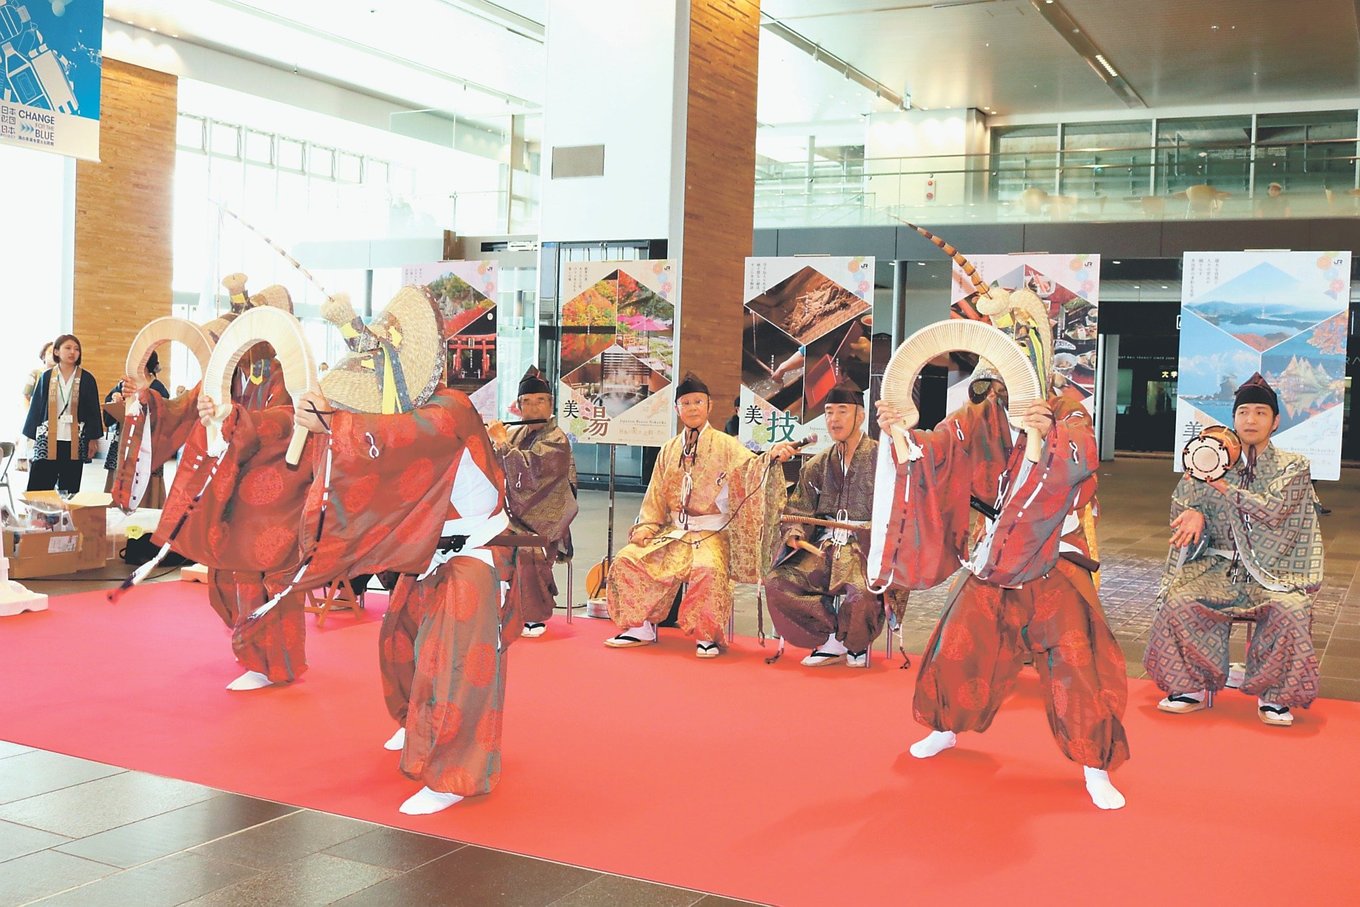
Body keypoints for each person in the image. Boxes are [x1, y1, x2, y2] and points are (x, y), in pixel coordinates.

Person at [874, 378, 1129, 811]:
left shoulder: (1065, 410)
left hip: (1055, 553)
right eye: (997, 375)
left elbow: (1082, 456)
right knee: (959, 641)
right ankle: (945, 726)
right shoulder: (979, 415)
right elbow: (937, 450)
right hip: (998, 553)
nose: (1005, 382)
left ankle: (1095, 764)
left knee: (1076, 660)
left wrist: (1050, 433)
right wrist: (902, 430)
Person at [291, 384, 514, 815]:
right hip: (429, 547)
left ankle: (455, 773)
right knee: (398, 638)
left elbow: (407, 435)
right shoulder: (398, 411)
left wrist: (332, 422)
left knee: (456, 662)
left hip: (475, 549)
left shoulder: (450, 407)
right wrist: (326, 424)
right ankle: (417, 725)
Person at [116, 340, 299, 692]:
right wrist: (146, 398)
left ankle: (268, 662)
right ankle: (252, 647)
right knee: (225, 569)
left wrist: (237, 417)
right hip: (227, 483)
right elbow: (181, 410)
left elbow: (287, 419)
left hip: (267, 486)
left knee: (258, 572)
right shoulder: (222, 375)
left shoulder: (277, 373)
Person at [1143, 373, 1322, 727]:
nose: (1251, 419)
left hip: (1275, 571)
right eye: (1243, 412)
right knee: (1181, 600)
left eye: (1260, 412)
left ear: (1275, 421)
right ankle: (1191, 686)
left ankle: (1273, 695)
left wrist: (1222, 484)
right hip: (1218, 567)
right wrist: (1194, 514)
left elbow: (1273, 510)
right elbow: (1184, 504)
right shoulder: (1207, 459)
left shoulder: (1293, 465)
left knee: (1290, 609)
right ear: (1234, 418)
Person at [604, 372, 795, 657]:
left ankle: (706, 635)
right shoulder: (669, 449)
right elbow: (655, 495)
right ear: (676, 408)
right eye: (686, 403)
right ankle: (640, 627)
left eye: (698, 402)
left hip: (711, 533)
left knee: (709, 569)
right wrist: (646, 526)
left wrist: (771, 457)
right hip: (673, 533)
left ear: (709, 406)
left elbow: (752, 470)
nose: (692, 408)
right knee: (628, 559)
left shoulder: (726, 445)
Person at [764, 379, 883, 667]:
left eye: (842, 411)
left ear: (860, 415)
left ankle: (855, 643)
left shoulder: (883, 459)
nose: (834, 419)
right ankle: (831, 636)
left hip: (865, 546)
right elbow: (799, 506)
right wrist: (794, 533)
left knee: (862, 592)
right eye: (829, 412)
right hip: (823, 546)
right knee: (778, 581)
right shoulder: (817, 464)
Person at [487, 366, 578, 638]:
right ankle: (495, 609)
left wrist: (502, 444)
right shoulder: (516, 433)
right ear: (519, 406)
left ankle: (533, 615)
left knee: (526, 550)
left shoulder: (557, 439)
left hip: (544, 520)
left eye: (540, 401)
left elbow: (531, 475)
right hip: (511, 516)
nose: (533, 407)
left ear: (550, 404)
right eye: (526, 402)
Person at [23, 334, 102, 495]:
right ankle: (38, 512)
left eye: (76, 349)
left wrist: (93, 439)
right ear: (57, 351)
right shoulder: (47, 377)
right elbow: (37, 407)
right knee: (40, 486)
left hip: (75, 439)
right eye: (68, 348)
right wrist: (32, 436)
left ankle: (65, 511)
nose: (73, 352)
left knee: (69, 487)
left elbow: (93, 410)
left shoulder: (87, 379)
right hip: (48, 437)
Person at [103, 351, 170, 498]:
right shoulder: (124, 385)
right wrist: (116, 401)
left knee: (145, 481)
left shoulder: (158, 388)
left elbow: (163, 418)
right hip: (123, 442)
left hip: (148, 445)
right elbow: (108, 419)